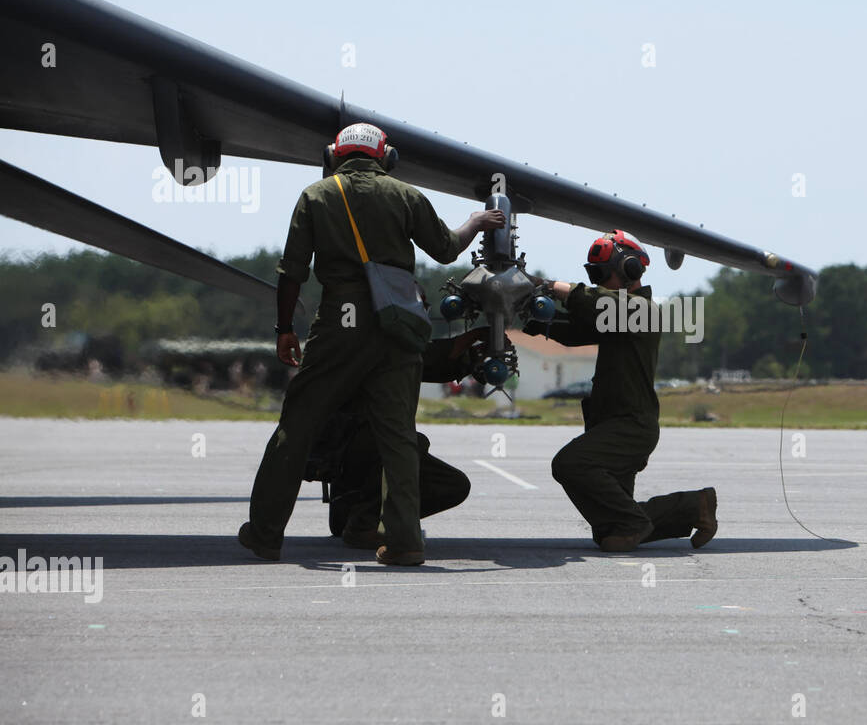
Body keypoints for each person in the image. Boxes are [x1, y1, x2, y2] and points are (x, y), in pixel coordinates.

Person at [238, 122, 504, 565]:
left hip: (339, 322)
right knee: (398, 436)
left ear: (334, 155)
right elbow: (445, 249)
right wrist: (476, 221)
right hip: (396, 325)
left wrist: (285, 328)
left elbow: (292, 272)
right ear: (387, 158)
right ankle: (404, 541)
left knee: (297, 427)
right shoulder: (406, 195)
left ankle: (266, 534)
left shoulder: (317, 195)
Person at [529, 230, 717, 551]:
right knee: (609, 531)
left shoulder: (642, 312)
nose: (598, 281)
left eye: (601, 273)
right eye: (593, 274)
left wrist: (547, 286)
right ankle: (694, 506)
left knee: (570, 464)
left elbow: (591, 302)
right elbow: (574, 330)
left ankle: (643, 520)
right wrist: (527, 317)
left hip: (630, 426)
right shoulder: (616, 316)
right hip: (614, 424)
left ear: (630, 269)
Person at [308, 330, 491, 548]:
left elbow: (429, 363)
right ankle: (362, 524)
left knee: (454, 485)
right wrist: (476, 335)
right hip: (343, 445)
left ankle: (358, 512)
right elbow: (427, 356)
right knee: (410, 443)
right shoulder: (374, 341)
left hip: (359, 447)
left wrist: (472, 354)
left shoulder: (391, 345)